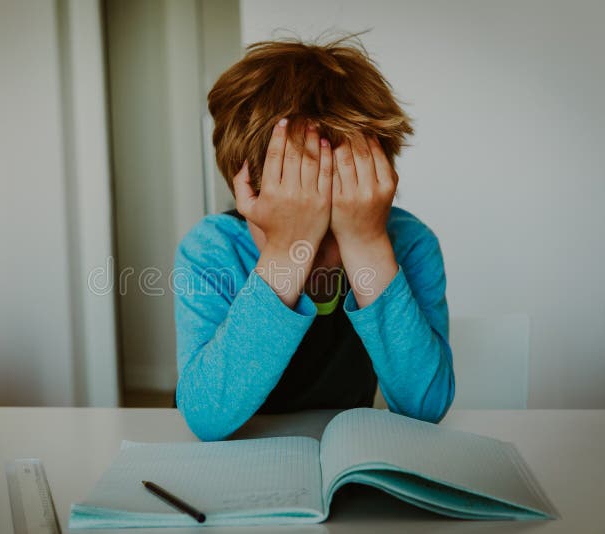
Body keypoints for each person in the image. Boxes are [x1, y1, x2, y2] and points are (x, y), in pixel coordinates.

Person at [173, 36, 454, 441]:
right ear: (246, 196)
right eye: (295, 219)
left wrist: (369, 245)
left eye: (335, 223)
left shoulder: (409, 244)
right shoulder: (211, 249)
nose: (315, 249)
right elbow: (205, 417)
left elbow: (425, 408)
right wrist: (285, 253)